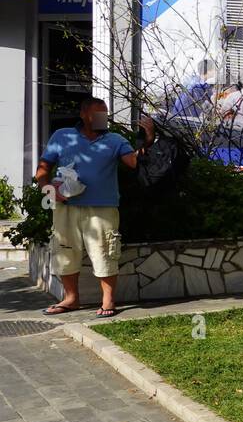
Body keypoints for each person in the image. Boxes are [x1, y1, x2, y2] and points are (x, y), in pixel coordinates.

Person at [32, 96, 155, 318]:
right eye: (98, 114)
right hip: (66, 207)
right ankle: (70, 299)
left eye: (105, 114)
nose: (103, 118)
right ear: (83, 114)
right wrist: (49, 189)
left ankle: (108, 301)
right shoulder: (62, 136)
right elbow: (43, 169)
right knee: (64, 251)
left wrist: (147, 141)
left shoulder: (115, 139)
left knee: (105, 252)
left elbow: (133, 162)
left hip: (102, 208)